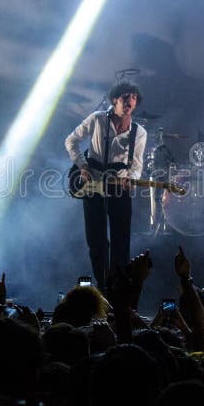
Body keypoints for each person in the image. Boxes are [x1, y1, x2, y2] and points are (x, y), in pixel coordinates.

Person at [65, 80, 147, 289]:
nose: (129, 101)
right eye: (125, 97)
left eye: (133, 98)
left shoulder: (139, 133)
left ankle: (118, 289)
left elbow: (137, 165)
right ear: (114, 100)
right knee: (96, 241)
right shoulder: (97, 119)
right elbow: (71, 141)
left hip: (119, 188)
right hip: (93, 185)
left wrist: (132, 178)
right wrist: (82, 165)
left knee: (121, 241)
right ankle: (102, 286)